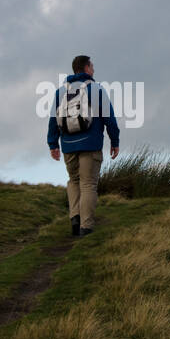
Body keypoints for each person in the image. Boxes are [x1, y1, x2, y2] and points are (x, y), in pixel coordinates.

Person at [48, 55, 120, 236]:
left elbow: (52, 120)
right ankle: (86, 227)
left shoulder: (60, 92)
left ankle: (75, 218)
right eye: (92, 66)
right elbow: (109, 119)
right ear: (86, 68)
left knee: (74, 181)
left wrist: (53, 144)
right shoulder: (97, 89)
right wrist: (115, 141)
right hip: (91, 144)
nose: (94, 69)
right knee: (88, 184)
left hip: (68, 145)